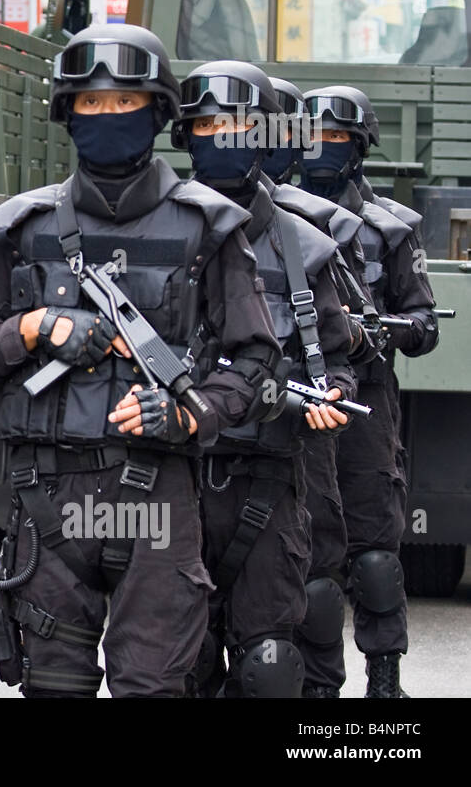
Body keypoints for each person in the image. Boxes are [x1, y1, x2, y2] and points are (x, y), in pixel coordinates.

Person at [0, 24, 281, 697]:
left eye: (124, 103)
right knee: (53, 686)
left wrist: (189, 414)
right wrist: (35, 327)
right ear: (68, 115)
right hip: (48, 496)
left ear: (157, 112)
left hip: (156, 498)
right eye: (90, 105)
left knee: (152, 686)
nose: (106, 117)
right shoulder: (20, 227)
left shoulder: (211, 227)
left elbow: (258, 365)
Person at [173, 61, 358, 697]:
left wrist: (333, 394)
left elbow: (335, 355)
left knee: (273, 663)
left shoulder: (304, 247)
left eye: (238, 122)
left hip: (273, 476)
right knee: (177, 661)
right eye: (207, 123)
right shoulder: (146, 232)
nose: (222, 136)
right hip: (171, 476)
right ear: (184, 132)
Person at [299, 84, 439, 697]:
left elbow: (426, 326)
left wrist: (387, 328)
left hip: (367, 406)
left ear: (359, 147)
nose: (323, 149)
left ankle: (385, 678)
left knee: (375, 551)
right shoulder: (273, 221)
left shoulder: (391, 228)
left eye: (336, 138)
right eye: (312, 137)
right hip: (299, 400)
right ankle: (313, 682)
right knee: (307, 557)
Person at [262, 75, 378, 695]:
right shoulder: (190, 217)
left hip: (301, 431)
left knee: (316, 575)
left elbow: (349, 339)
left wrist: (327, 369)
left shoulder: (317, 231)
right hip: (206, 436)